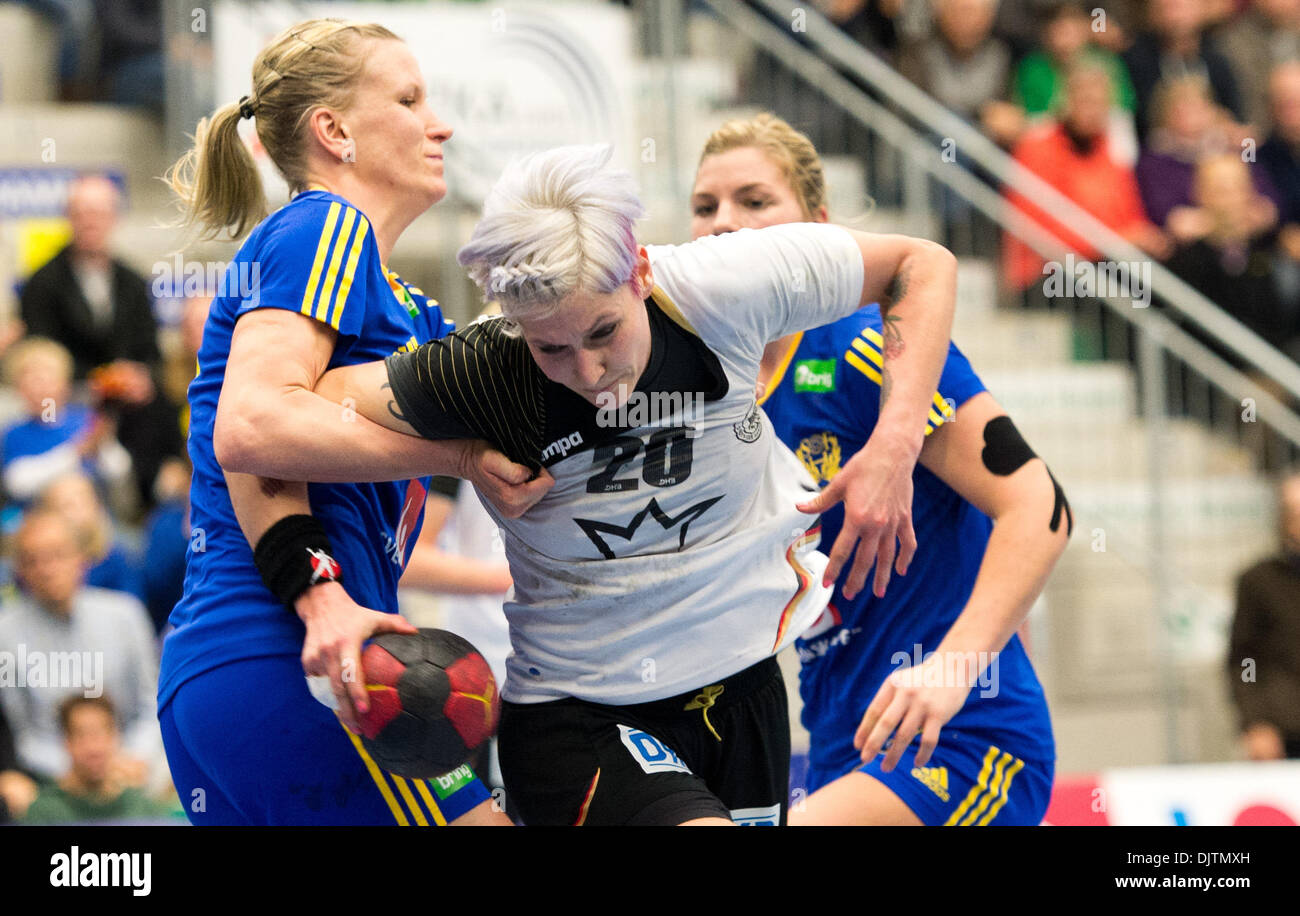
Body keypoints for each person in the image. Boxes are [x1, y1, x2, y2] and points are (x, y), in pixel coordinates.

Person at [309, 142, 958, 826]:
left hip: (743, 689)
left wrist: (894, 444)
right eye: (551, 348)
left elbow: (922, 265)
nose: (588, 372)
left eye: (604, 331)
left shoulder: (723, 285)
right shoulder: (483, 367)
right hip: (580, 714)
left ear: (641, 273)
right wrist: (459, 458)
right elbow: (268, 420)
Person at [159, 18, 547, 826]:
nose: (439, 124)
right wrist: (322, 596)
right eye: (408, 100)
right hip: (303, 656)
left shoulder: (411, 308)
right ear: (333, 132)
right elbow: (254, 425)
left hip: (241, 670)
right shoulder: (324, 225)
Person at [689, 113, 1069, 825]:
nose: (723, 223)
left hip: (960, 739)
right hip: (843, 745)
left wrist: (953, 668)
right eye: (705, 207)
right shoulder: (711, 396)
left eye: (754, 201)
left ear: (819, 227)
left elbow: (1041, 508)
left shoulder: (869, 348)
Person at [18, 174, 183, 509]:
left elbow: (149, 350)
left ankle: (158, 501)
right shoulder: (41, 283)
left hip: (129, 404)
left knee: (158, 402)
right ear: (69, 217)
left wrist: (139, 378)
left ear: (114, 218)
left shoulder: (134, 282)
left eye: (99, 212)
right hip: (68, 398)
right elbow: (39, 354)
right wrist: (93, 381)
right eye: (82, 212)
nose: (91, 221)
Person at [0, 509, 162, 785]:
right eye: (32, 560)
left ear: (81, 559)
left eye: (57, 554)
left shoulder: (125, 615)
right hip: (53, 776)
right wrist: (78, 771)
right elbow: (22, 732)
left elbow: (152, 706)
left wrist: (134, 758)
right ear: (20, 571)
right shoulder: (5, 632)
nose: (46, 569)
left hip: (132, 765)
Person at [1228, 471, 1300, 760]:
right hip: (1288, 729)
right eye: (1294, 513)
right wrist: (1255, 722)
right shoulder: (1259, 581)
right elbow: (1243, 659)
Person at [22, 695, 180, 824]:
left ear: (116, 737)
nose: (93, 748)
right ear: (66, 742)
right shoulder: (43, 813)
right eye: (82, 736)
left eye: (101, 734)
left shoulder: (143, 809)